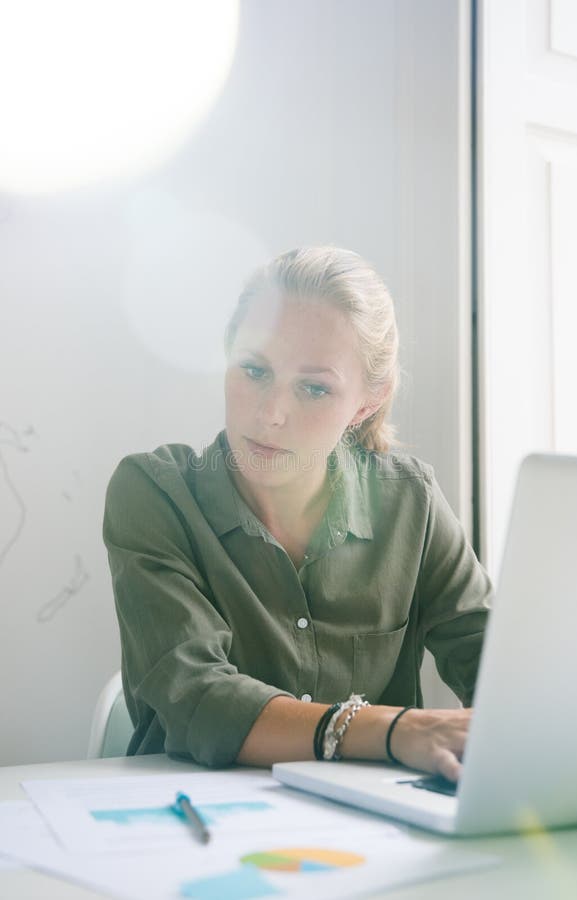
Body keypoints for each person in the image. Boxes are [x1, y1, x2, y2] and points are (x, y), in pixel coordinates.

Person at [103, 246, 493, 784]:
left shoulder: (412, 502)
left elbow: (499, 673)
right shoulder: (154, 493)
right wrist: (392, 729)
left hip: (375, 836)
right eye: (254, 370)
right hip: (185, 823)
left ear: (366, 402)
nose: (271, 414)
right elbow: (199, 696)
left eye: (314, 387)